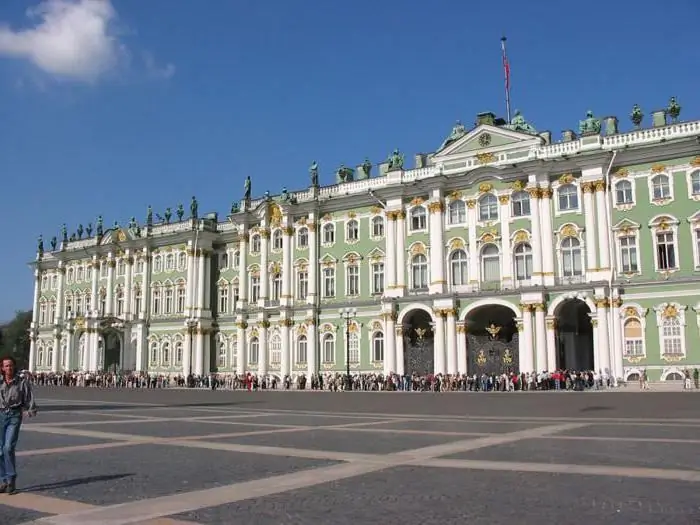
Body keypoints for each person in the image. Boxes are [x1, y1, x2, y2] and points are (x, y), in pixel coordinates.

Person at [0, 355, 37, 495]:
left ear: (14, 366)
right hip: (0, 415)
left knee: (8, 447)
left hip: (14, 415)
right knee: (0, 450)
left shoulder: (21, 382)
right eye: (6, 366)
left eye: (11, 365)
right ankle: (3, 481)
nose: (9, 368)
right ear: (2, 368)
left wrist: (31, 409)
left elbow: (28, 396)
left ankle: (11, 479)